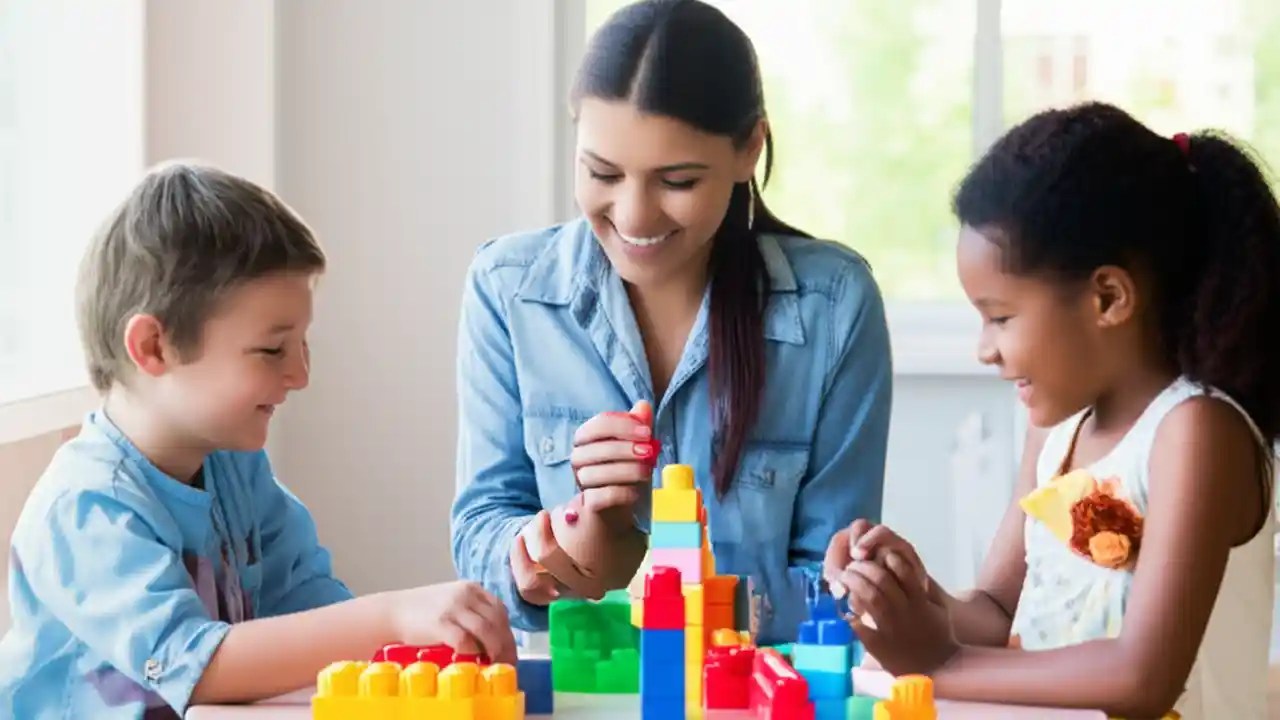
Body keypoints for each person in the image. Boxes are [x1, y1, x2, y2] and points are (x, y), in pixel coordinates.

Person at [0, 162, 516, 720]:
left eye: (302, 345)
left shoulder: (235, 468)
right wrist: (390, 617)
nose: (300, 374)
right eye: (272, 350)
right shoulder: (86, 508)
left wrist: (421, 653)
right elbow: (196, 668)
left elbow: (309, 607)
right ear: (153, 346)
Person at [451, 0, 893, 646]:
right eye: (602, 172)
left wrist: (680, 606)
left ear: (749, 150)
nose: (634, 215)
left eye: (677, 180)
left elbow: (831, 586)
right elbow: (481, 542)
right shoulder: (507, 290)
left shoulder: (834, 308)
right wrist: (576, 540)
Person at [824, 102, 1280, 719]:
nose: (985, 349)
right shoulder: (1057, 431)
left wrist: (942, 664)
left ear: (1109, 297)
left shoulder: (1197, 433)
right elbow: (997, 613)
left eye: (1002, 317)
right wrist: (911, 596)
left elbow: (1142, 677)